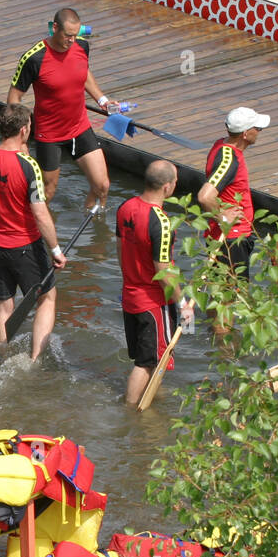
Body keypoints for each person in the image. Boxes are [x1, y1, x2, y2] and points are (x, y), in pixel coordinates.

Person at [0, 104, 66, 361]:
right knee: (46, 298)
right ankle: (34, 359)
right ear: (24, 130)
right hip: (25, 246)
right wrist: (55, 249)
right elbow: (40, 213)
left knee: (3, 305)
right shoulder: (28, 165)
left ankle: (1, 356)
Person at [6, 7, 113, 212]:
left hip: (79, 127)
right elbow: (14, 97)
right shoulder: (33, 58)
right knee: (48, 191)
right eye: (67, 35)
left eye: (75, 35)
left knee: (102, 186)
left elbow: (83, 72)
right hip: (50, 134)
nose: (72, 40)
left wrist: (103, 100)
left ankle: (93, 226)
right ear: (55, 28)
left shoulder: (82, 46)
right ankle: (34, 227)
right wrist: (19, 140)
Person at [116, 160, 196, 406]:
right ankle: (131, 415)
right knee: (148, 363)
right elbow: (163, 271)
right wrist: (183, 305)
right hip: (152, 303)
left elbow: (120, 251)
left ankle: (152, 401)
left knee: (148, 357)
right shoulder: (161, 222)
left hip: (130, 295)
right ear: (167, 187)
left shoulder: (125, 207)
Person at [197, 106, 270, 336]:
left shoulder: (222, 145)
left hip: (224, 238)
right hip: (231, 240)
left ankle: (215, 339)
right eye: (257, 128)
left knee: (218, 296)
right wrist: (223, 216)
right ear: (246, 134)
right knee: (229, 301)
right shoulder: (229, 158)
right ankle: (225, 353)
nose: (260, 131)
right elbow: (205, 196)